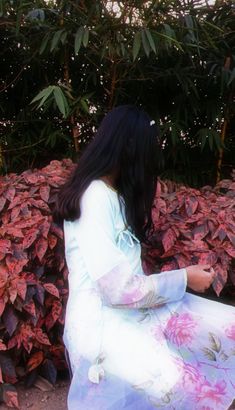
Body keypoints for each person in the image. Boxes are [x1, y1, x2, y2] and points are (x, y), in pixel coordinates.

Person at [55, 105, 235, 410]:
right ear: (129, 148)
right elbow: (117, 289)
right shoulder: (95, 197)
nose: (152, 159)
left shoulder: (112, 196)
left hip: (123, 320)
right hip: (103, 331)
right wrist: (184, 277)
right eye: (148, 148)